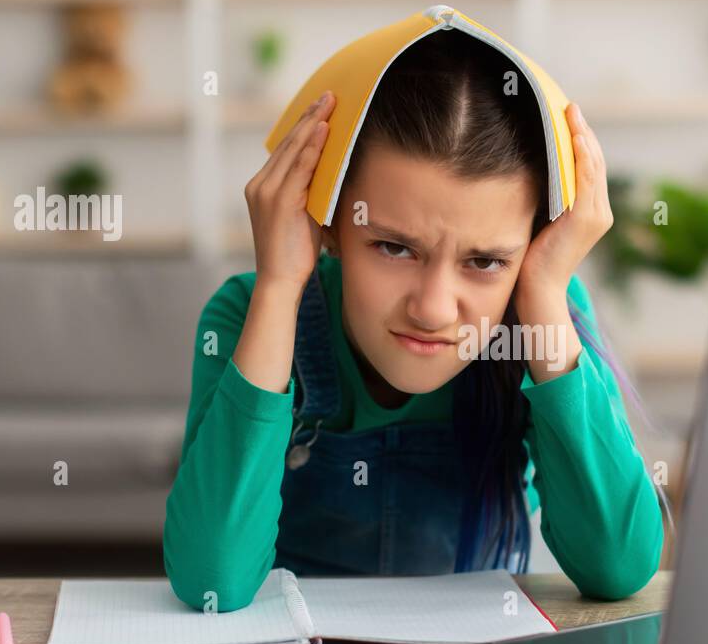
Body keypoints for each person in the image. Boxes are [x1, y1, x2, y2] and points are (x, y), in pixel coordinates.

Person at [163, 31, 667, 612]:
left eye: (485, 261)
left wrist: (547, 292)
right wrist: (278, 287)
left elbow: (619, 568)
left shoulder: (538, 314)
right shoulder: (245, 313)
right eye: (394, 248)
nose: (432, 309)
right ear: (325, 219)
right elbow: (211, 583)